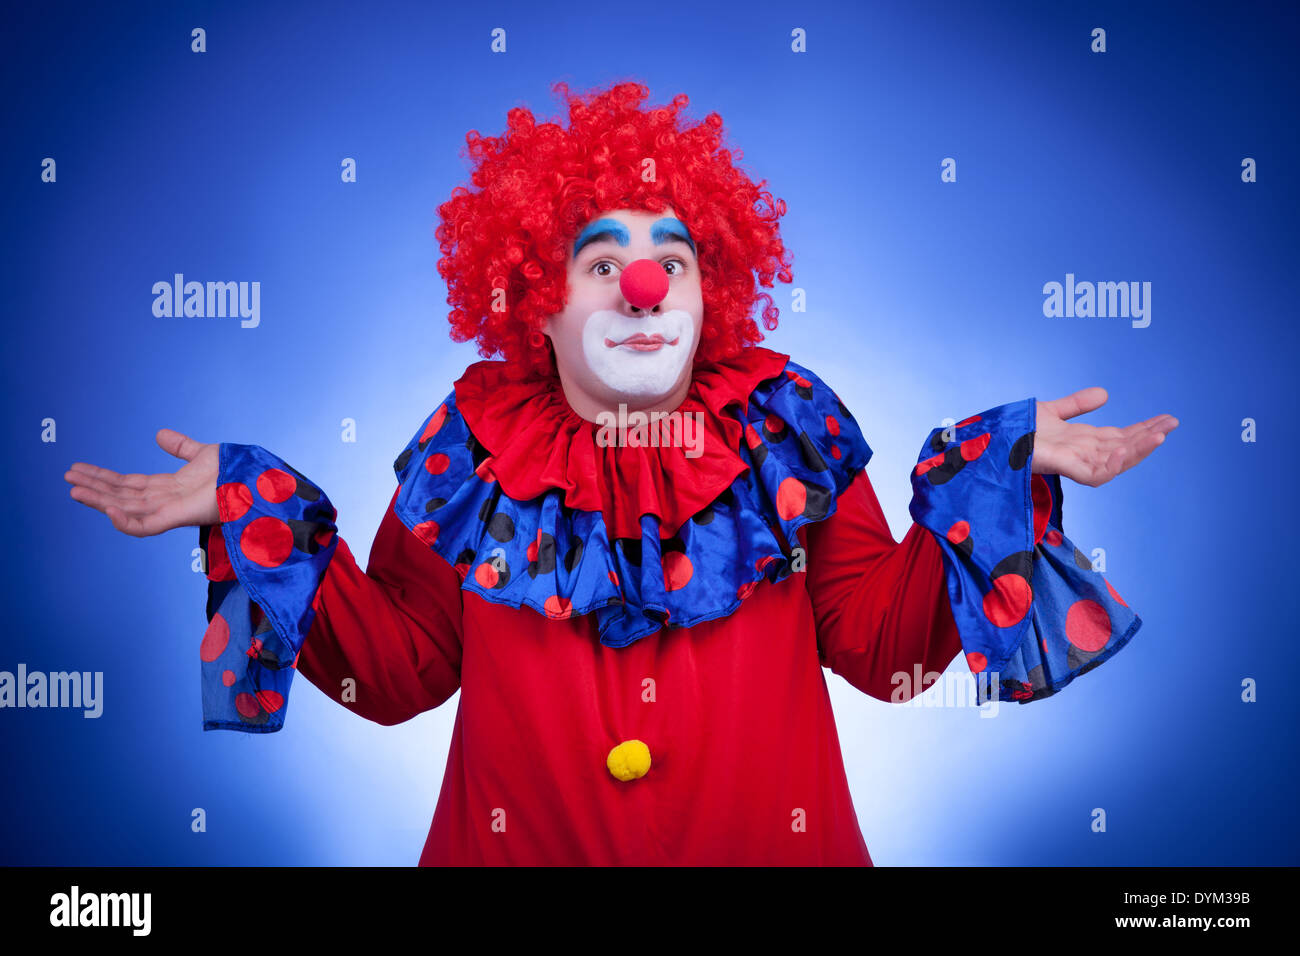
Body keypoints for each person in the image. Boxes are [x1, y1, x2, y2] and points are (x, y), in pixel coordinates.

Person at [65, 81, 1177, 865]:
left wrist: (993, 478)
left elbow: (884, 654)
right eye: (601, 260)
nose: (643, 284)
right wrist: (251, 511)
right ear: (534, 304)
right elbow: (397, 673)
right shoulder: (471, 442)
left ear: (708, 293)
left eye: (672, 259)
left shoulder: (782, 426)